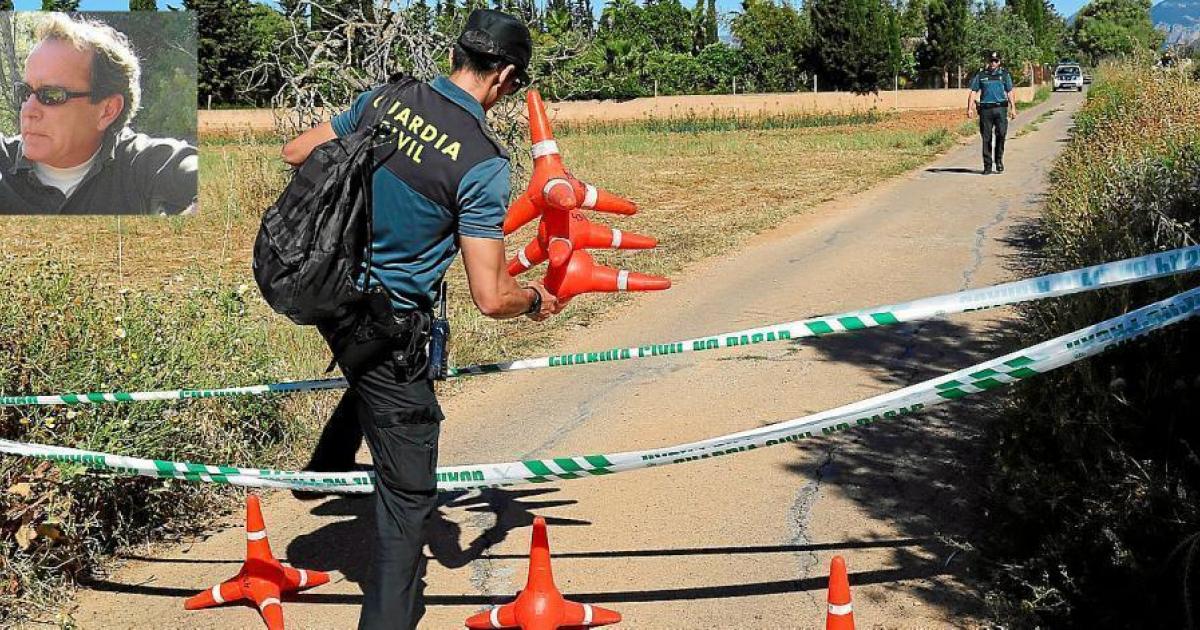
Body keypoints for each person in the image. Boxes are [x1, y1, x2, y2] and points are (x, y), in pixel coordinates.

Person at [280, 9, 560, 629]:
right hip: (384, 322)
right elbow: (490, 295)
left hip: (324, 289)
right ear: (506, 77)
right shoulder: (483, 162)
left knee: (375, 374)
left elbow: (296, 150)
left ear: (459, 54)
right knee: (408, 498)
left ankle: (321, 473)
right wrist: (536, 300)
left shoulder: (389, 95)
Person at [0, 14, 197, 215]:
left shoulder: (148, 166)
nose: (28, 110)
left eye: (51, 95)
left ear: (107, 111)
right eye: (25, 93)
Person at [967, 51, 1016, 175]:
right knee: (986, 138)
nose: (993, 63)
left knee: (1001, 135)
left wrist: (1013, 108)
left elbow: (1010, 91)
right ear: (988, 61)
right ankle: (987, 166)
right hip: (985, 110)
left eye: (996, 61)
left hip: (1000, 109)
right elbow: (973, 91)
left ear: (999, 62)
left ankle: (998, 160)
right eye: (991, 60)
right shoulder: (981, 75)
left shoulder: (1004, 75)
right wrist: (970, 108)